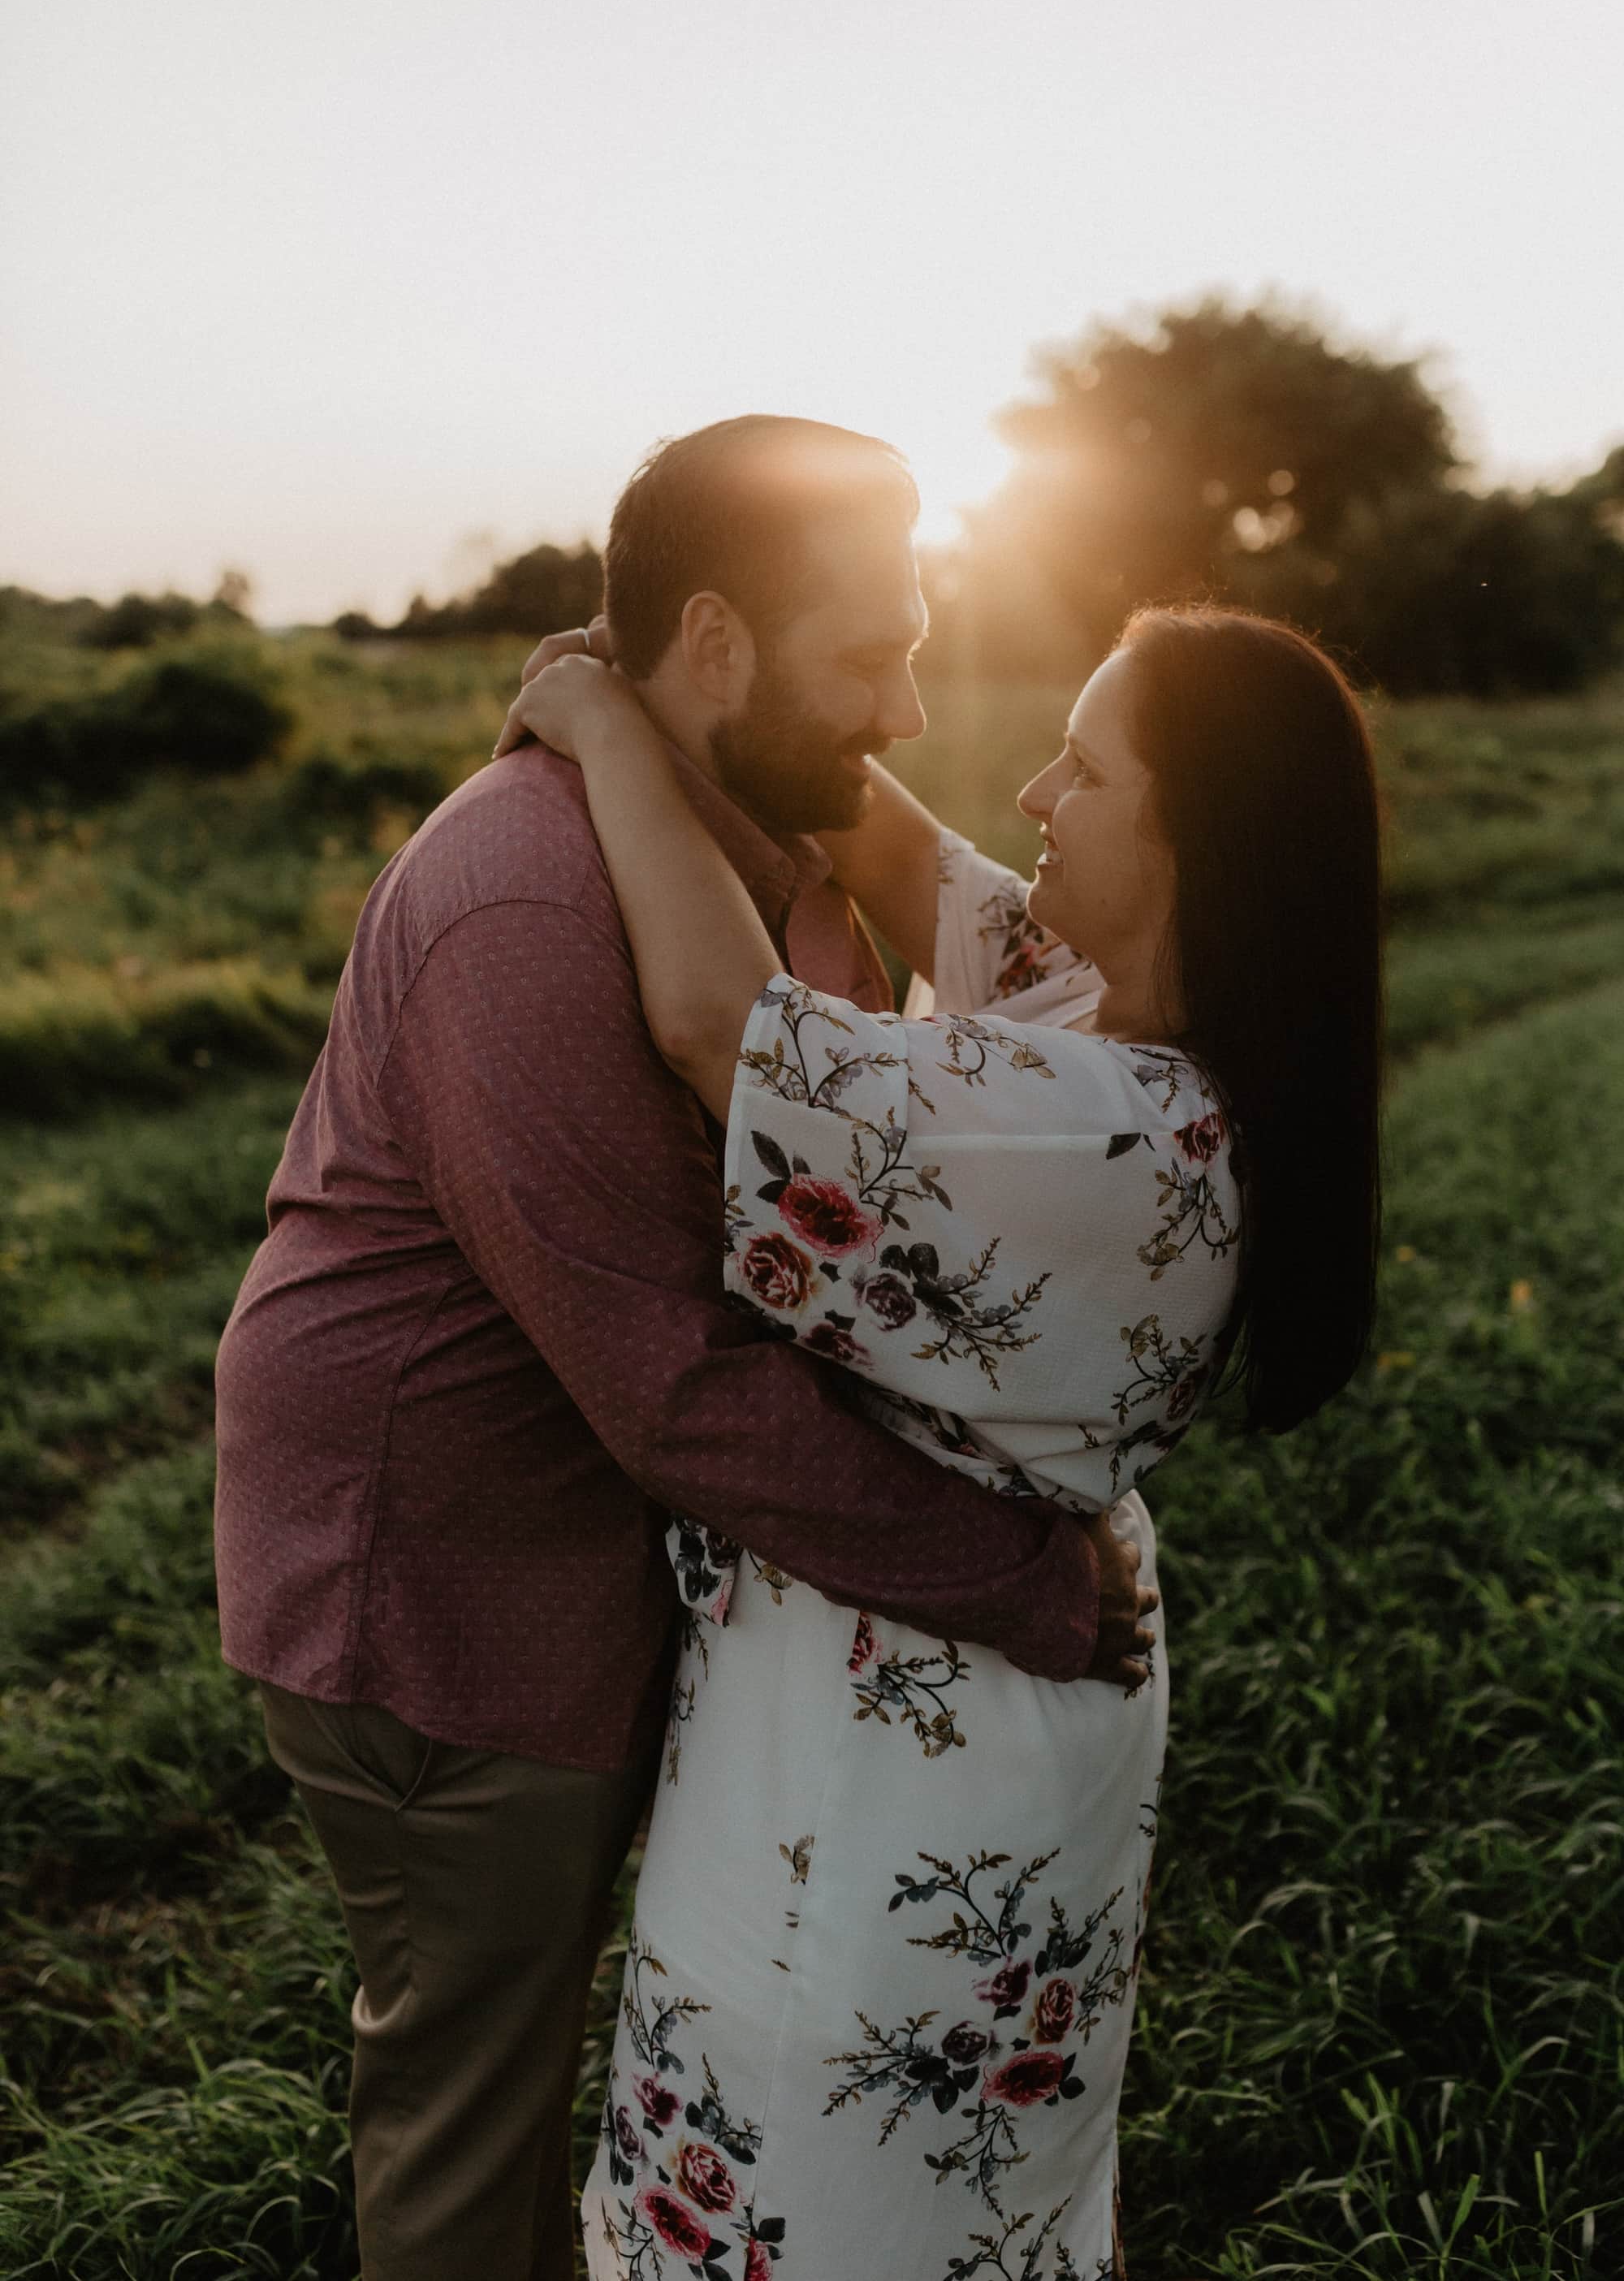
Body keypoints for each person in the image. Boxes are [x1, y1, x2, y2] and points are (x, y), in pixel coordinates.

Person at [212, 415, 1154, 2281]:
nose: (905, 702)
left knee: (625, 2077)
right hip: (442, 1606)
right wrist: (1011, 1580)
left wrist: (604, 707)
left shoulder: (772, 838)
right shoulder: (527, 907)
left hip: (597, 1564)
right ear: (715, 646)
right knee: (474, 2117)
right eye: (867, 653)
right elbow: (671, 1384)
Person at [495, 598, 1384, 2279]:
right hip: (946, 1707)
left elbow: (728, 1035)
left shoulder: (1130, 1138)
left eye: (1090, 767)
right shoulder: (1099, 1020)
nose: (1037, 792)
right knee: (946, 2199)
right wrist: (721, 668)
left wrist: (605, 725)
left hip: (899, 1765)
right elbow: (898, 848)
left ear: (1205, 840)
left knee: (823, 2195)